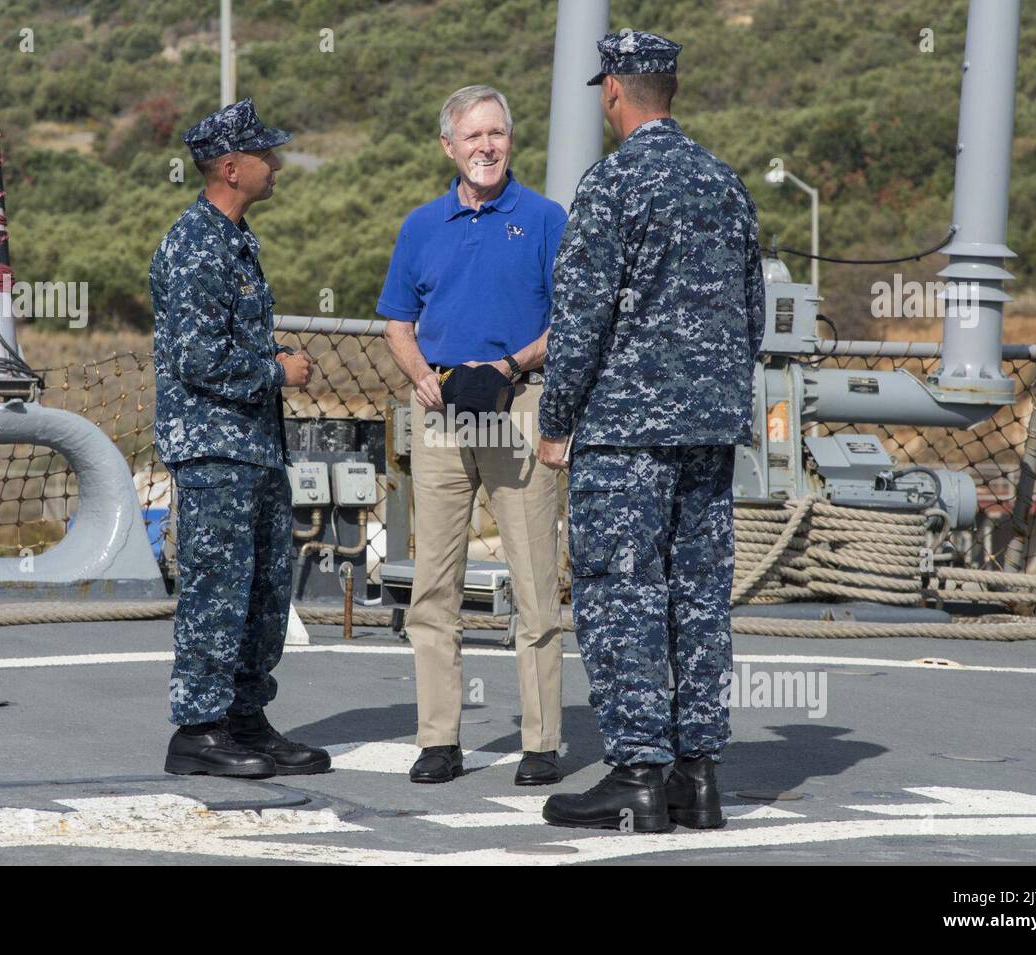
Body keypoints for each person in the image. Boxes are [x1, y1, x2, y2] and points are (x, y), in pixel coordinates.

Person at [536, 32, 766, 831]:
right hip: (709, 430)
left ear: (614, 94)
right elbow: (753, 315)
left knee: (623, 592)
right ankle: (697, 775)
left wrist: (556, 419)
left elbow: (580, 321)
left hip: (626, 433)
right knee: (698, 595)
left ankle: (637, 769)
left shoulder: (614, 183)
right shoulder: (725, 184)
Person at [377, 86, 569, 785]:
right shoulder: (421, 225)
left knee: (535, 580)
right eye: (473, 136)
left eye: (498, 134)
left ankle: (543, 741)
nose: (487, 147)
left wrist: (512, 363)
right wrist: (421, 374)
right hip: (440, 410)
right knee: (434, 583)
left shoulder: (547, 219)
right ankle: (439, 738)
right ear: (448, 147)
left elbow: (570, 319)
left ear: (511, 141)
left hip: (519, 404)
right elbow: (398, 321)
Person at [151, 98, 330, 778]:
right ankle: (198, 729)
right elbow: (198, 360)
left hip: (251, 444)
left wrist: (272, 354)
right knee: (216, 589)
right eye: (264, 154)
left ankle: (245, 717)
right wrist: (276, 369)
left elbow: (227, 342)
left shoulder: (233, 240)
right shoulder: (196, 244)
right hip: (215, 448)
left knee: (260, 592)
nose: (276, 163)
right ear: (231, 167)